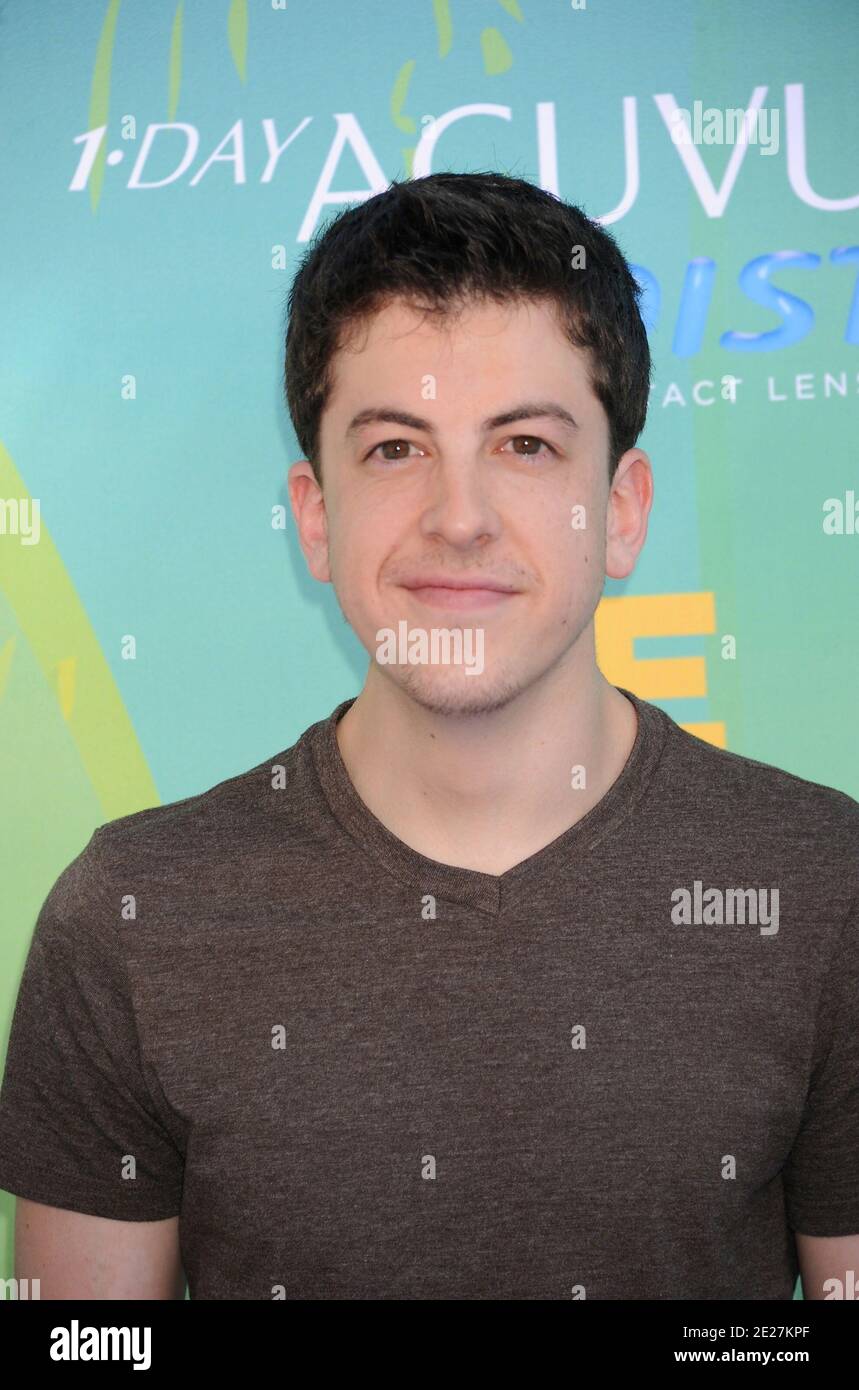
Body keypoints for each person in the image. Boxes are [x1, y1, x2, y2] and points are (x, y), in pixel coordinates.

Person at [0, 172, 856, 1300]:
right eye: (396, 449)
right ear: (314, 514)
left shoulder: (819, 883)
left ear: (626, 510)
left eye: (527, 446)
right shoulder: (127, 917)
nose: (459, 516)